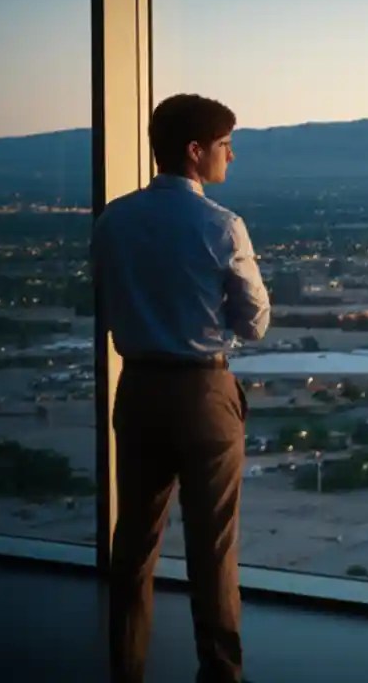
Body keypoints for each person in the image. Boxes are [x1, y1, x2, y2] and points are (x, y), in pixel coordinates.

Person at [93, 93, 270, 683]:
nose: (232, 156)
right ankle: (219, 673)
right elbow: (255, 319)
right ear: (196, 153)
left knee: (134, 544)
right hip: (202, 395)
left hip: (137, 390)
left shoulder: (113, 220)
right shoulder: (222, 226)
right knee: (212, 548)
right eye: (225, 146)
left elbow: (108, 297)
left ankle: (126, 667)